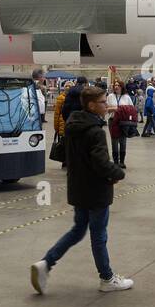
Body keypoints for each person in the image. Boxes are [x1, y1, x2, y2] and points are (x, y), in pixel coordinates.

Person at [30, 86, 132, 295]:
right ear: (92, 105)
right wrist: (118, 173)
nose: (107, 106)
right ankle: (107, 278)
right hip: (96, 191)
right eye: (104, 102)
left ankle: (46, 263)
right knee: (98, 235)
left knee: (78, 230)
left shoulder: (73, 126)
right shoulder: (95, 131)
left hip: (78, 188)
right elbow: (101, 163)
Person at [106, 80, 135, 166]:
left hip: (124, 122)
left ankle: (122, 161)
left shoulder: (126, 97)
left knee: (123, 141)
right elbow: (106, 109)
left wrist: (121, 109)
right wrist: (115, 109)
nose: (116, 87)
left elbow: (132, 109)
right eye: (115, 85)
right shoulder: (110, 96)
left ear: (122, 87)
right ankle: (115, 162)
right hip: (113, 121)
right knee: (114, 141)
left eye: (118, 85)